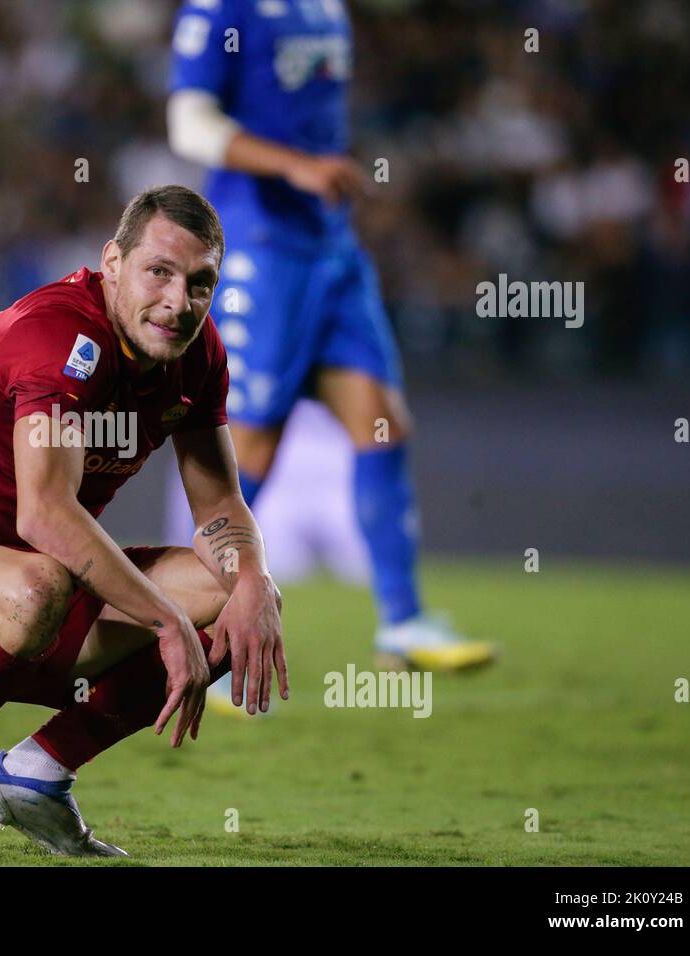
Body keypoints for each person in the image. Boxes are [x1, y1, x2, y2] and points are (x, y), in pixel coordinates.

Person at [0, 185, 287, 858]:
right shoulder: (58, 337)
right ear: (112, 263)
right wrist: (165, 621)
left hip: (41, 607)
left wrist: (253, 577)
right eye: (158, 272)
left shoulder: (195, 353)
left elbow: (219, 505)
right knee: (41, 580)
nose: (178, 302)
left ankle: (36, 775)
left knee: (240, 598)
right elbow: (44, 515)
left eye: (200, 284)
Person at [166, 0, 495, 694]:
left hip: (331, 247)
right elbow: (188, 125)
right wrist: (294, 165)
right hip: (262, 246)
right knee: (251, 449)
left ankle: (402, 622)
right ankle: (202, 637)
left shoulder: (328, 7)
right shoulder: (219, 8)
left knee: (381, 422)